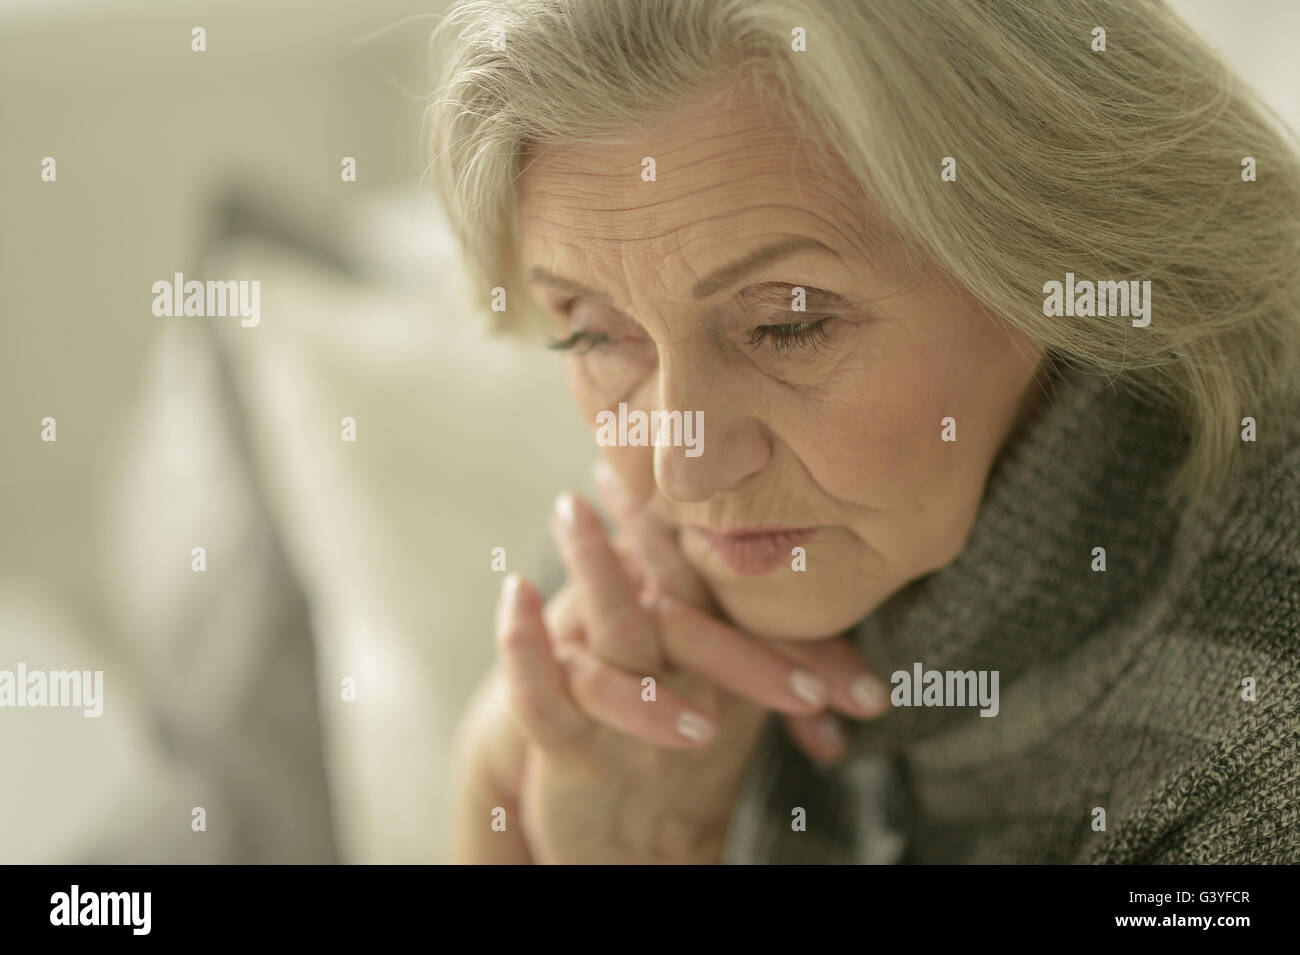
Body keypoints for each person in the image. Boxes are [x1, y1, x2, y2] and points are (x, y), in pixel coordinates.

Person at [428, 0, 1300, 863]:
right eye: (596, 334)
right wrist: (495, 807)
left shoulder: (1262, 733)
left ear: (1054, 260)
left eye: (788, 324)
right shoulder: (632, 605)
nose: (679, 471)